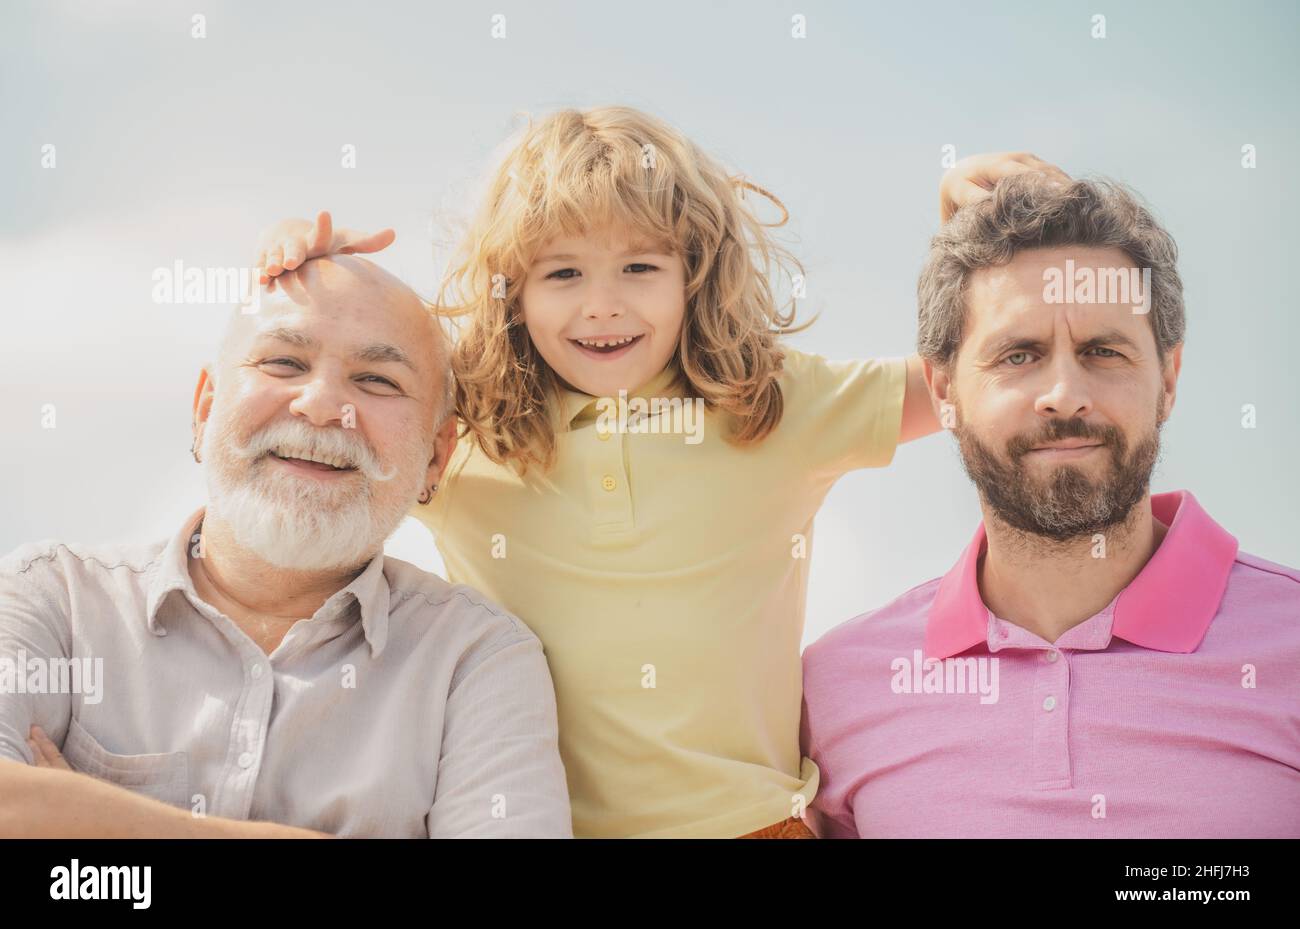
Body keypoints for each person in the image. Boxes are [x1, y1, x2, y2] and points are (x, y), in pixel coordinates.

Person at [256, 104, 1068, 837]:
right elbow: (328, 412)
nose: (602, 306)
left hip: (754, 827)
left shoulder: (774, 404)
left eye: (640, 268)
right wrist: (311, 278)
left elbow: (973, 383)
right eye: (562, 273)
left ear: (694, 276)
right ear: (513, 295)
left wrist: (991, 249)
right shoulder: (470, 435)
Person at [0, 255, 572, 838]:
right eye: (283, 362)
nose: (323, 406)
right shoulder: (53, 599)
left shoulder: (477, 663)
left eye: (377, 380)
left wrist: (91, 821)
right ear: (205, 408)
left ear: (436, 456)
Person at [801, 175, 1300, 838]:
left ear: (1169, 381)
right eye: (1019, 354)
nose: (1064, 394)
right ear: (943, 389)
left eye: (1103, 350)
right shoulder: (833, 688)